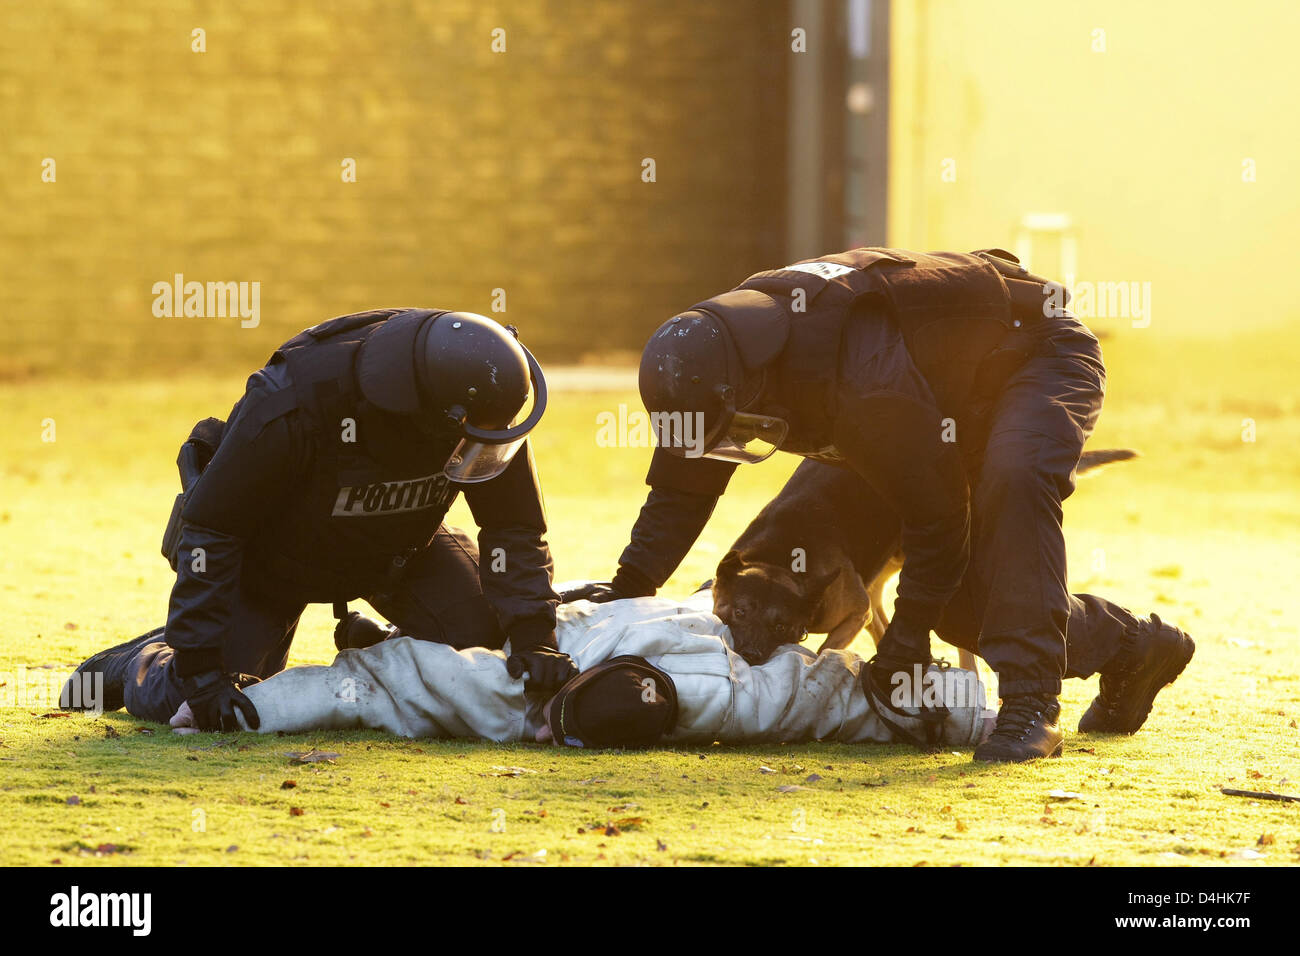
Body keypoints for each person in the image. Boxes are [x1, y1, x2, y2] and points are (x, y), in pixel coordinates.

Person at [571, 248, 1194, 762]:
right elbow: (681, 492)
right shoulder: (708, 358)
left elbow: (937, 518)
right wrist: (627, 589)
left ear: (755, 384)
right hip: (941, 393)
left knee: (1013, 480)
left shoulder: (859, 381)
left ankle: (1031, 706)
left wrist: (904, 639)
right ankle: (1133, 647)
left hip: (1035, 355)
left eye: (732, 431)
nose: (731, 444)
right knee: (957, 610)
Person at [63, 308, 577, 730]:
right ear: (428, 415)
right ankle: (138, 661)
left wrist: (534, 634)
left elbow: (513, 527)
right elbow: (212, 532)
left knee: (481, 636)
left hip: (400, 549)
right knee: (206, 693)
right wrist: (201, 673)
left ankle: (375, 642)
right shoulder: (295, 400)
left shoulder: (480, 403)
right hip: (272, 564)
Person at [168, 590, 992, 748]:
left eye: (554, 731)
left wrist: (968, 711)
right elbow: (396, 674)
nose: (537, 728)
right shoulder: (534, 682)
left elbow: (391, 679)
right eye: (557, 717)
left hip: (682, 612)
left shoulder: (740, 702)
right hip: (644, 606)